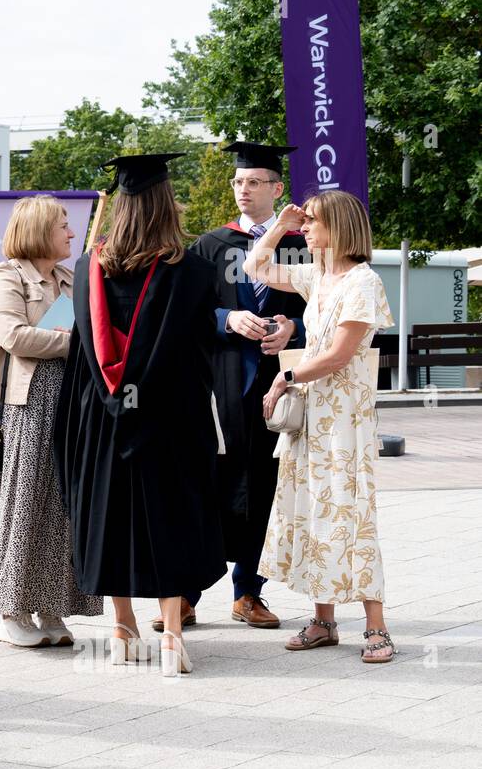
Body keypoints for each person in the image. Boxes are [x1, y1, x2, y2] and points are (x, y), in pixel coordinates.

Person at [52, 153, 225, 677]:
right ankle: (171, 638)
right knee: (167, 515)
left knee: (112, 515)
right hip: (168, 415)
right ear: (166, 205)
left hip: (101, 417)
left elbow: (83, 347)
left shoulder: (87, 269)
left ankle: (123, 629)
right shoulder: (192, 271)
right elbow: (200, 349)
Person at [248, 191, 398, 664]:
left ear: (338, 226)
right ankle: (323, 620)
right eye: (304, 222)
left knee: (351, 514)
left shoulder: (362, 282)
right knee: (314, 511)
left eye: (312, 222)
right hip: (313, 414)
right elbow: (256, 267)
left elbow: (339, 355)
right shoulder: (318, 277)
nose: (305, 229)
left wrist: (285, 376)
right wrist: (281, 225)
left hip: (345, 420)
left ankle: (377, 627)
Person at [167, 141, 311, 633]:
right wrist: (228, 318)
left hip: (281, 382)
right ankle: (185, 593)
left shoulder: (303, 245)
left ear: (276, 189)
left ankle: (249, 591)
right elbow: (183, 312)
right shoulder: (211, 245)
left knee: (266, 486)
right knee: (210, 481)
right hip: (221, 381)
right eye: (237, 182)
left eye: (253, 182)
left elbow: (329, 310)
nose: (242, 190)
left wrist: (294, 328)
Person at [0, 196, 103, 645]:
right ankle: (10, 611)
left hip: (69, 401)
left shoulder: (69, 277)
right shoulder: (8, 275)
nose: (71, 233)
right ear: (40, 230)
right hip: (24, 403)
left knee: (62, 505)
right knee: (23, 501)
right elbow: (12, 336)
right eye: (63, 225)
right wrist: (71, 342)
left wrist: (72, 339)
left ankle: (51, 606)